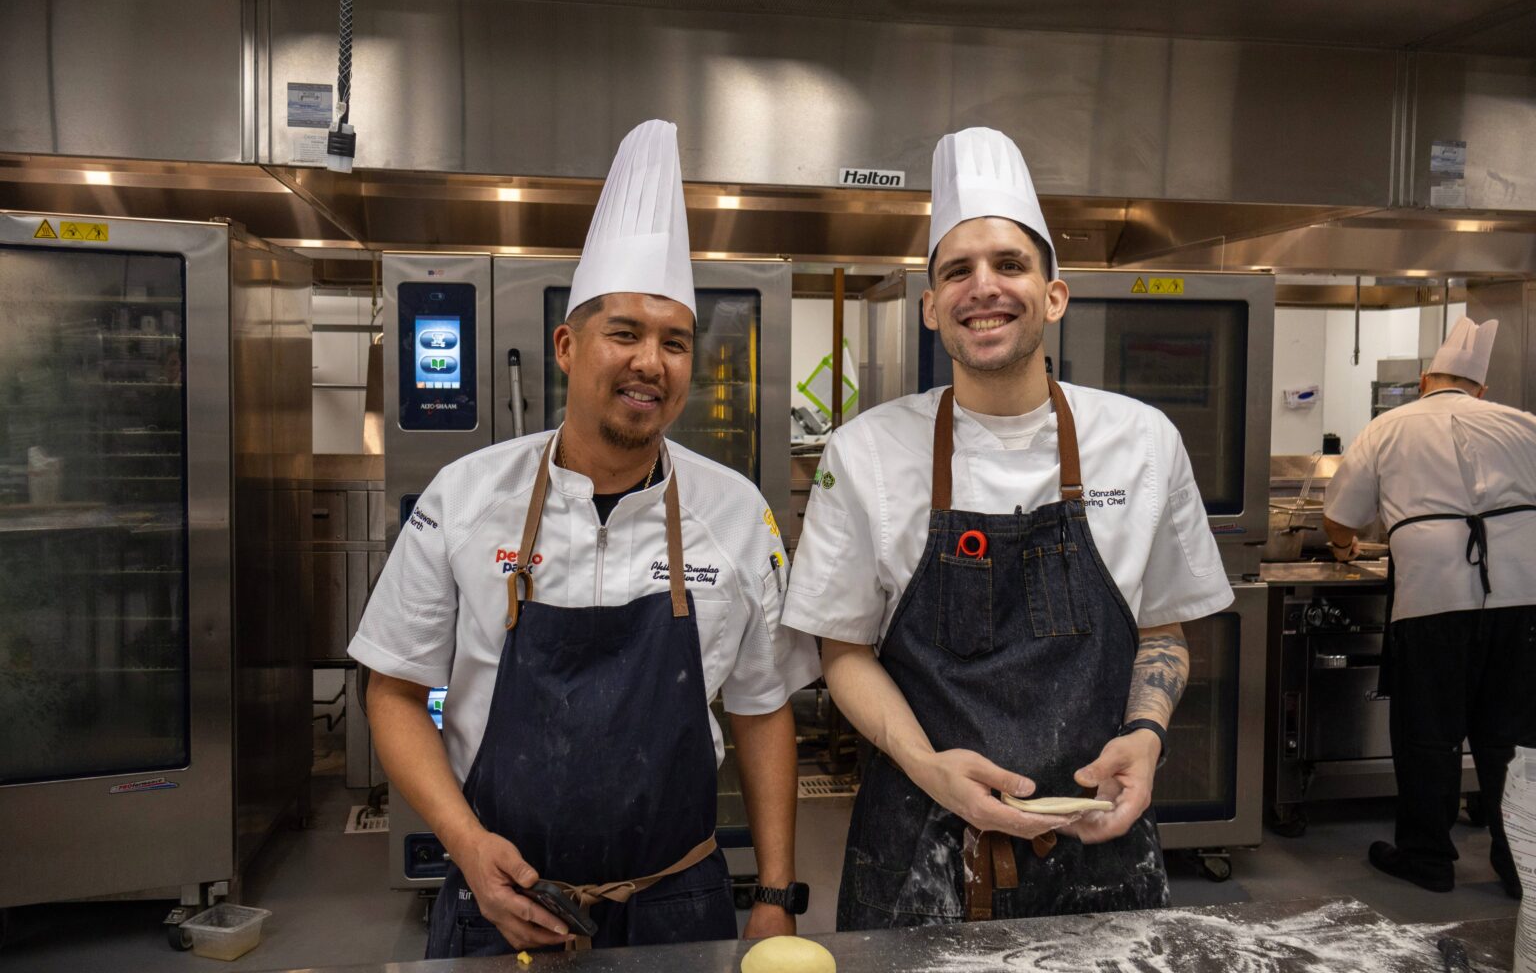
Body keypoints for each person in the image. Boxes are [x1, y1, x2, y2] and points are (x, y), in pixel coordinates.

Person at [350, 120, 821, 957]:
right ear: (568, 347)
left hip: (679, 900)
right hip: (497, 899)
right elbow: (391, 692)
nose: (652, 361)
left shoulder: (736, 512)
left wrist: (778, 892)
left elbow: (761, 709)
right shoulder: (467, 496)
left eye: (675, 342)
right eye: (627, 333)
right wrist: (465, 844)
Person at [782, 127, 1233, 929]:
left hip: (1099, 838)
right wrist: (926, 765)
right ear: (931, 309)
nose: (982, 286)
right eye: (957, 270)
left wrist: (1148, 736)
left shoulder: (1141, 440)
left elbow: (1161, 630)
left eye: (1010, 264)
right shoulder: (866, 454)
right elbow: (842, 651)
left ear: (1054, 296)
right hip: (918, 839)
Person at [1323, 316, 1536, 898]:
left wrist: (1344, 548)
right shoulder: (1524, 424)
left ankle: (1428, 859)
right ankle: (1521, 866)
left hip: (1432, 597)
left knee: (1427, 732)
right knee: (1513, 740)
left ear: (1424, 380)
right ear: (1481, 390)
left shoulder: (1387, 428)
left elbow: (1340, 517)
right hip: (1524, 598)